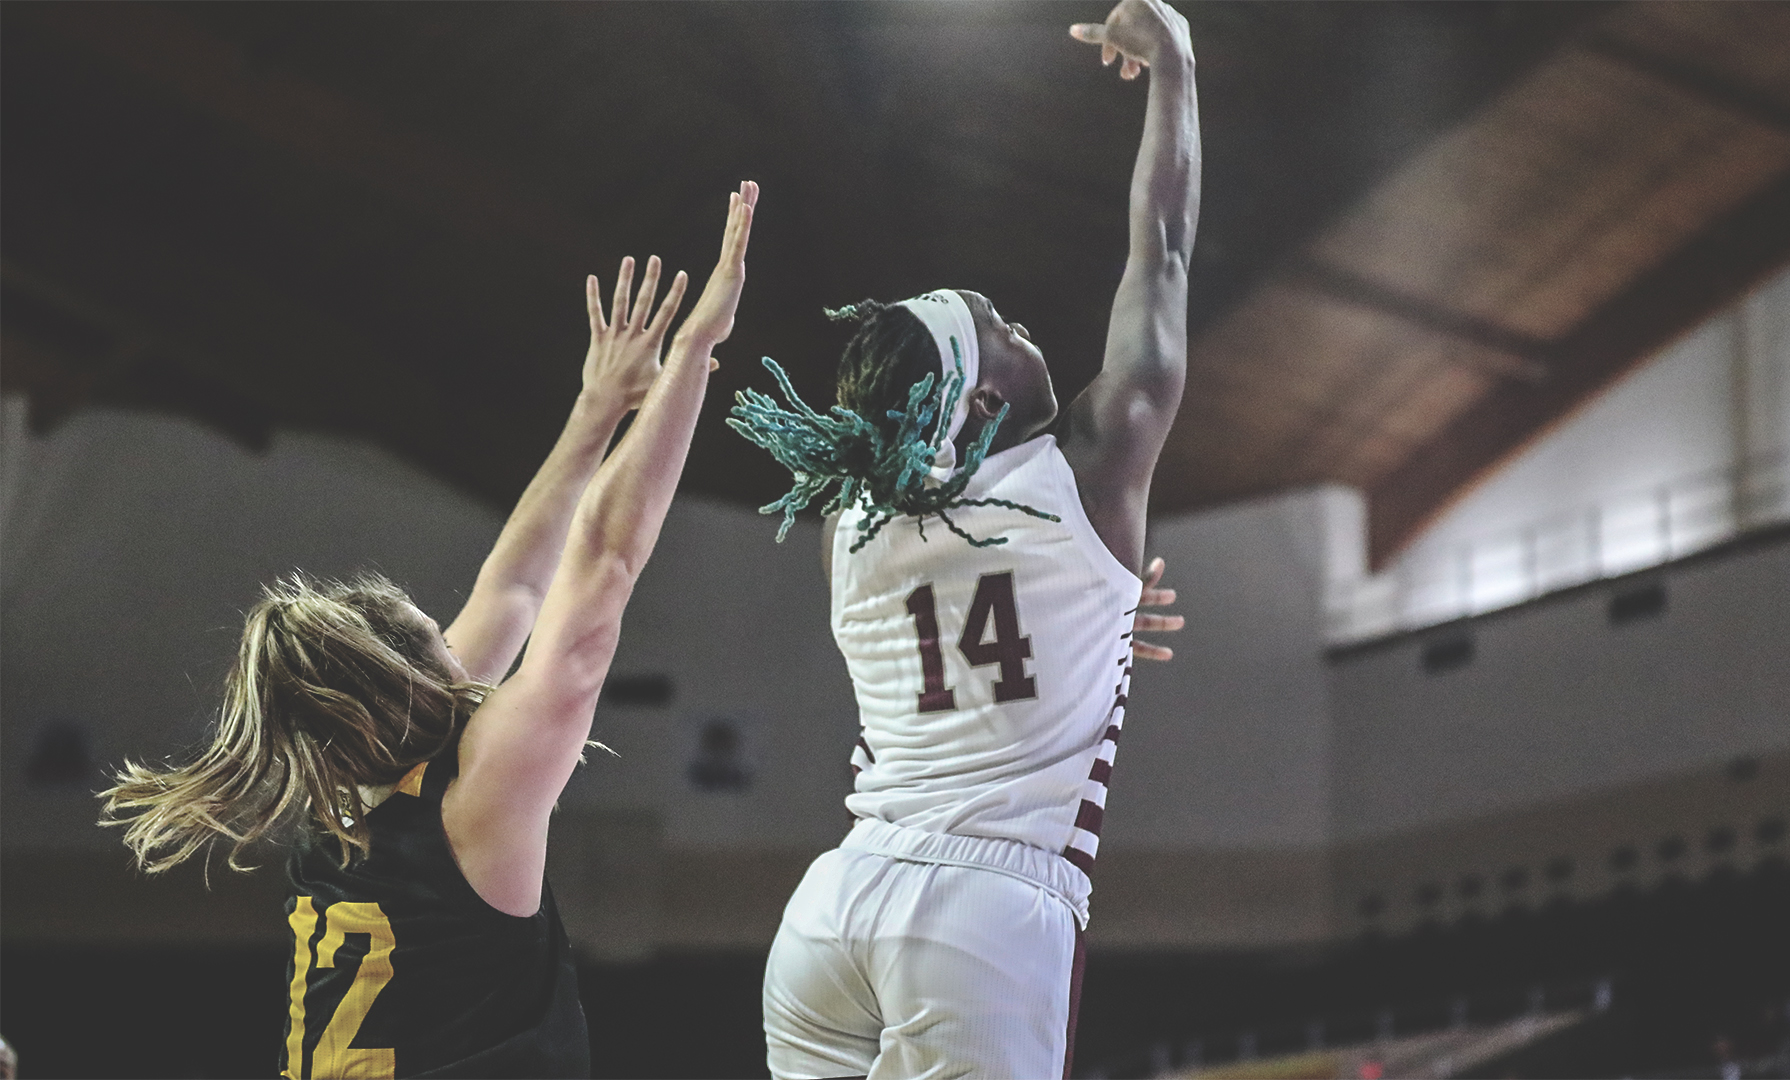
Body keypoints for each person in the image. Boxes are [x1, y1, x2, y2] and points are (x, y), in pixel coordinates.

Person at [99, 181, 758, 1078]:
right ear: (409, 680)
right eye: (432, 630)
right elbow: (596, 566)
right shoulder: (475, 803)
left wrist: (599, 410)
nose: (457, 635)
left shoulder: (336, 805)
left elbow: (519, 583)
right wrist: (693, 353)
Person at [730, 2, 1197, 1075]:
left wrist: (1104, 611)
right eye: (998, 322)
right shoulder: (1088, 473)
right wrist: (1174, 57)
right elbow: (1162, 249)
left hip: (834, 909)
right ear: (981, 390)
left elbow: (974, 591)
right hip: (983, 910)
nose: (1022, 323)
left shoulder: (846, 529)